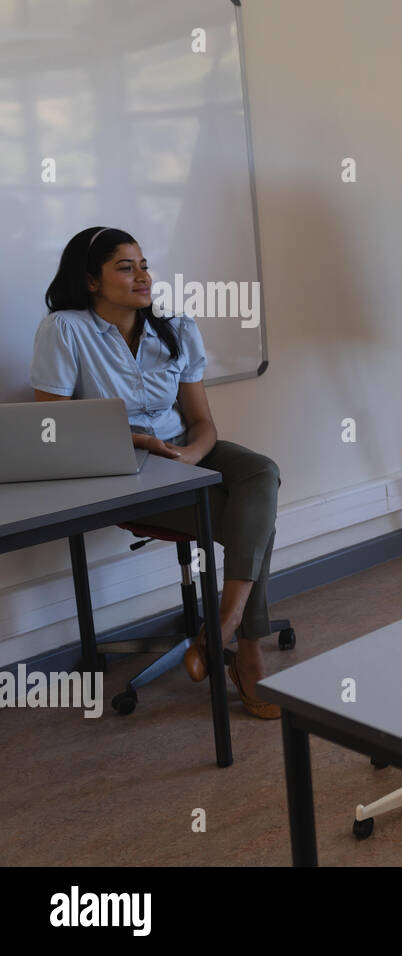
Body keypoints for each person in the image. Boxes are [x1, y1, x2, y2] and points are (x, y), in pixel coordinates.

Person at [31, 226, 282, 719]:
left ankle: (222, 627)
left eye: (144, 264)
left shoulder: (177, 328)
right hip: (124, 467)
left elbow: (203, 423)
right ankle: (247, 653)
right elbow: (54, 427)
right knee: (251, 520)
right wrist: (144, 443)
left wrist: (190, 456)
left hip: (184, 453)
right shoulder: (64, 329)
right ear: (91, 281)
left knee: (261, 472)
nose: (142, 275)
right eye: (126, 267)